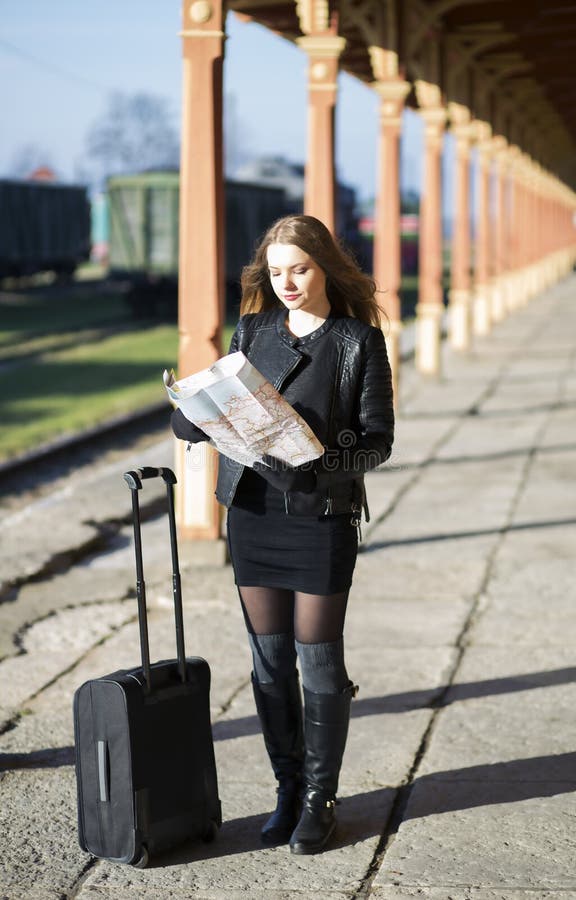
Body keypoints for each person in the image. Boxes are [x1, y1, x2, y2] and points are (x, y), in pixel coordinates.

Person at [171, 214, 395, 854]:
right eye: (276, 272)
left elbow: (376, 442)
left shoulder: (357, 341)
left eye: (299, 269)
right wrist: (196, 419)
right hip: (252, 512)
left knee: (318, 658)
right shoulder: (253, 328)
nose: (287, 283)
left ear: (325, 266)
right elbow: (226, 400)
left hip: (318, 517)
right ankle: (287, 791)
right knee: (267, 661)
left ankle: (321, 800)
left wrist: (319, 469)